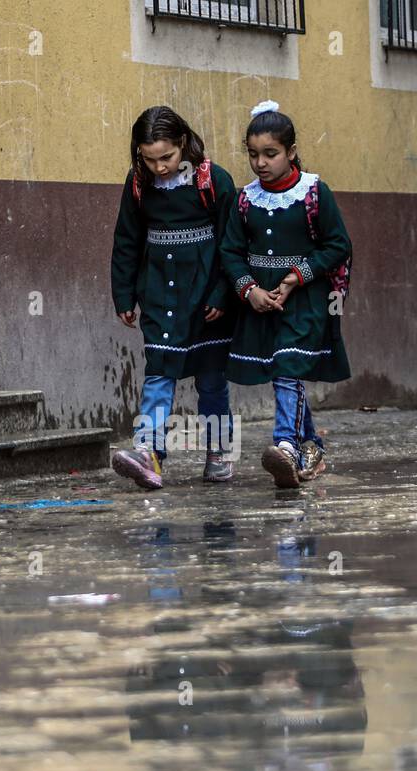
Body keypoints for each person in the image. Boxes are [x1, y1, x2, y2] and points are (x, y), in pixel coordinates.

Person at [220, 101, 353, 489]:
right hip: (263, 305)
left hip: (306, 301)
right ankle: (311, 445)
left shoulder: (314, 192)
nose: (260, 163)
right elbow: (230, 251)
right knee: (284, 373)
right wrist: (249, 290)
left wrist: (297, 276)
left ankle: (285, 445)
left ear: (291, 152)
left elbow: (337, 245)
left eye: (270, 154)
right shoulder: (245, 200)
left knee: (287, 368)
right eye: (253, 154)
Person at [110, 106, 238, 490]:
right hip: (160, 297)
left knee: (212, 380)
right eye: (150, 160)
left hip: (207, 301)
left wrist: (222, 293)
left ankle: (219, 450)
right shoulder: (138, 184)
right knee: (158, 375)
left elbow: (232, 243)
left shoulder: (214, 181)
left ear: (183, 143)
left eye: (166, 157)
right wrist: (123, 295)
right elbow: (127, 242)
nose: (159, 167)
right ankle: (149, 454)